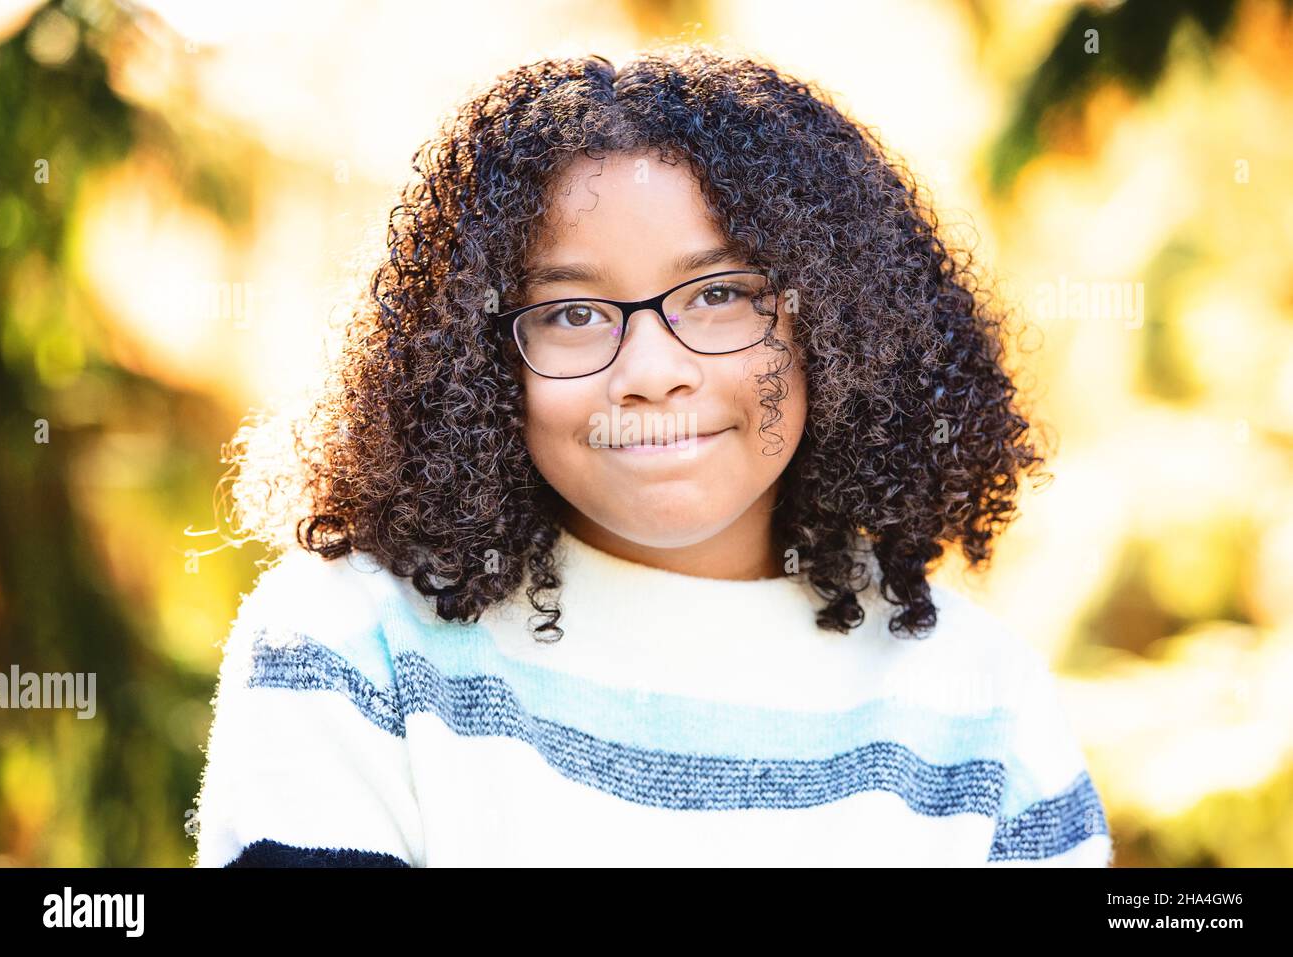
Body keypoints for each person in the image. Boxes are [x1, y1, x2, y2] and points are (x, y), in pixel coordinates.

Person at [193, 43, 1114, 867]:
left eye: (718, 294)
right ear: (476, 360)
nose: (650, 372)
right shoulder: (355, 647)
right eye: (571, 313)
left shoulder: (983, 711)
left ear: (834, 320)